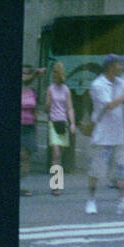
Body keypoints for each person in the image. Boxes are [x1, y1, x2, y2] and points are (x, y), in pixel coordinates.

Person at [86, 54, 124, 216]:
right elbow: (110, 105)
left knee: (122, 170)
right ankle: (91, 199)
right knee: (96, 171)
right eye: (119, 64)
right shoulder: (98, 85)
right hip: (102, 135)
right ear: (111, 67)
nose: (122, 67)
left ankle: (123, 201)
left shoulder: (122, 83)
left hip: (119, 135)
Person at [44, 61, 75, 195]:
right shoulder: (50, 89)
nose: (55, 75)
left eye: (57, 72)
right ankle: (55, 186)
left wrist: (72, 123)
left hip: (63, 123)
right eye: (54, 72)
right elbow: (47, 107)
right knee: (55, 153)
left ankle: (57, 183)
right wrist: (48, 104)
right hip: (53, 122)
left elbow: (69, 108)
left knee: (59, 156)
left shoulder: (66, 89)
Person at [19, 66, 42, 196]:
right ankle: (57, 185)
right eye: (23, 72)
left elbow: (35, 111)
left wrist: (36, 127)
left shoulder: (32, 91)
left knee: (26, 158)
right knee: (21, 155)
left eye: (28, 73)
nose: (25, 75)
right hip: (19, 127)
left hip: (29, 127)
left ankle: (57, 186)